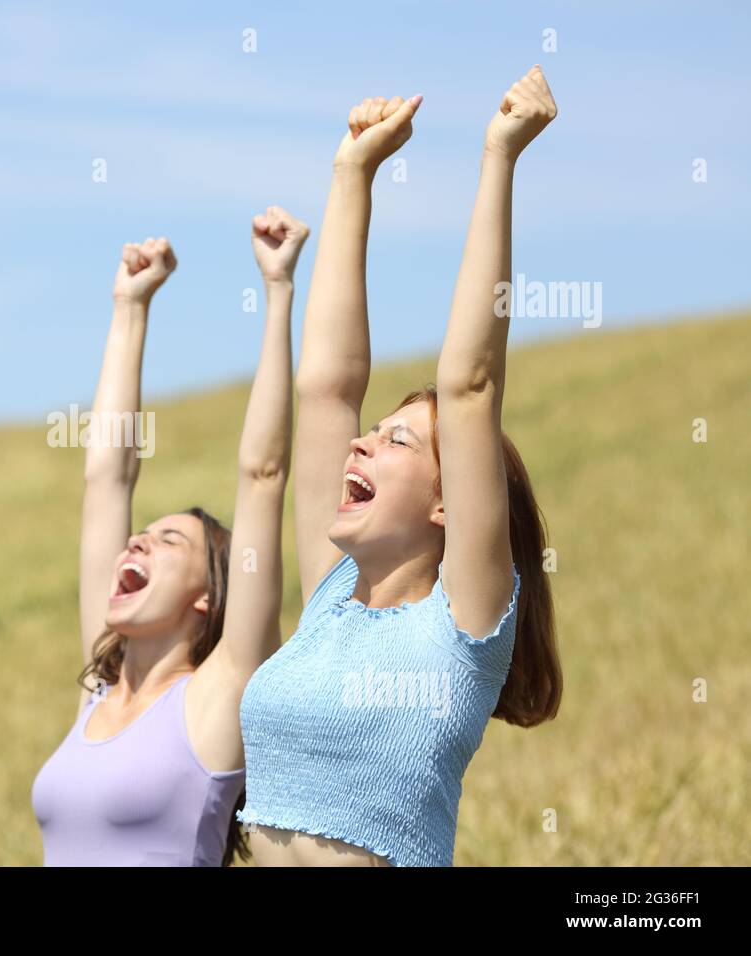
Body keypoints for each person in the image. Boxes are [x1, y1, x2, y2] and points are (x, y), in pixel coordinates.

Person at [238, 68, 564, 866]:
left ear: (450, 506)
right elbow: (326, 387)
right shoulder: (329, 603)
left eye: (398, 442)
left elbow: (471, 382)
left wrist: (499, 157)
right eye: (372, 433)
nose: (360, 443)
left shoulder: (463, 627)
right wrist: (352, 173)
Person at [32, 206, 309, 865]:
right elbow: (107, 481)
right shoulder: (96, 694)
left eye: (169, 543)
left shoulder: (219, 695)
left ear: (209, 596)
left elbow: (263, 474)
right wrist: (130, 307)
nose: (137, 543)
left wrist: (277, 293)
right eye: (142, 536)